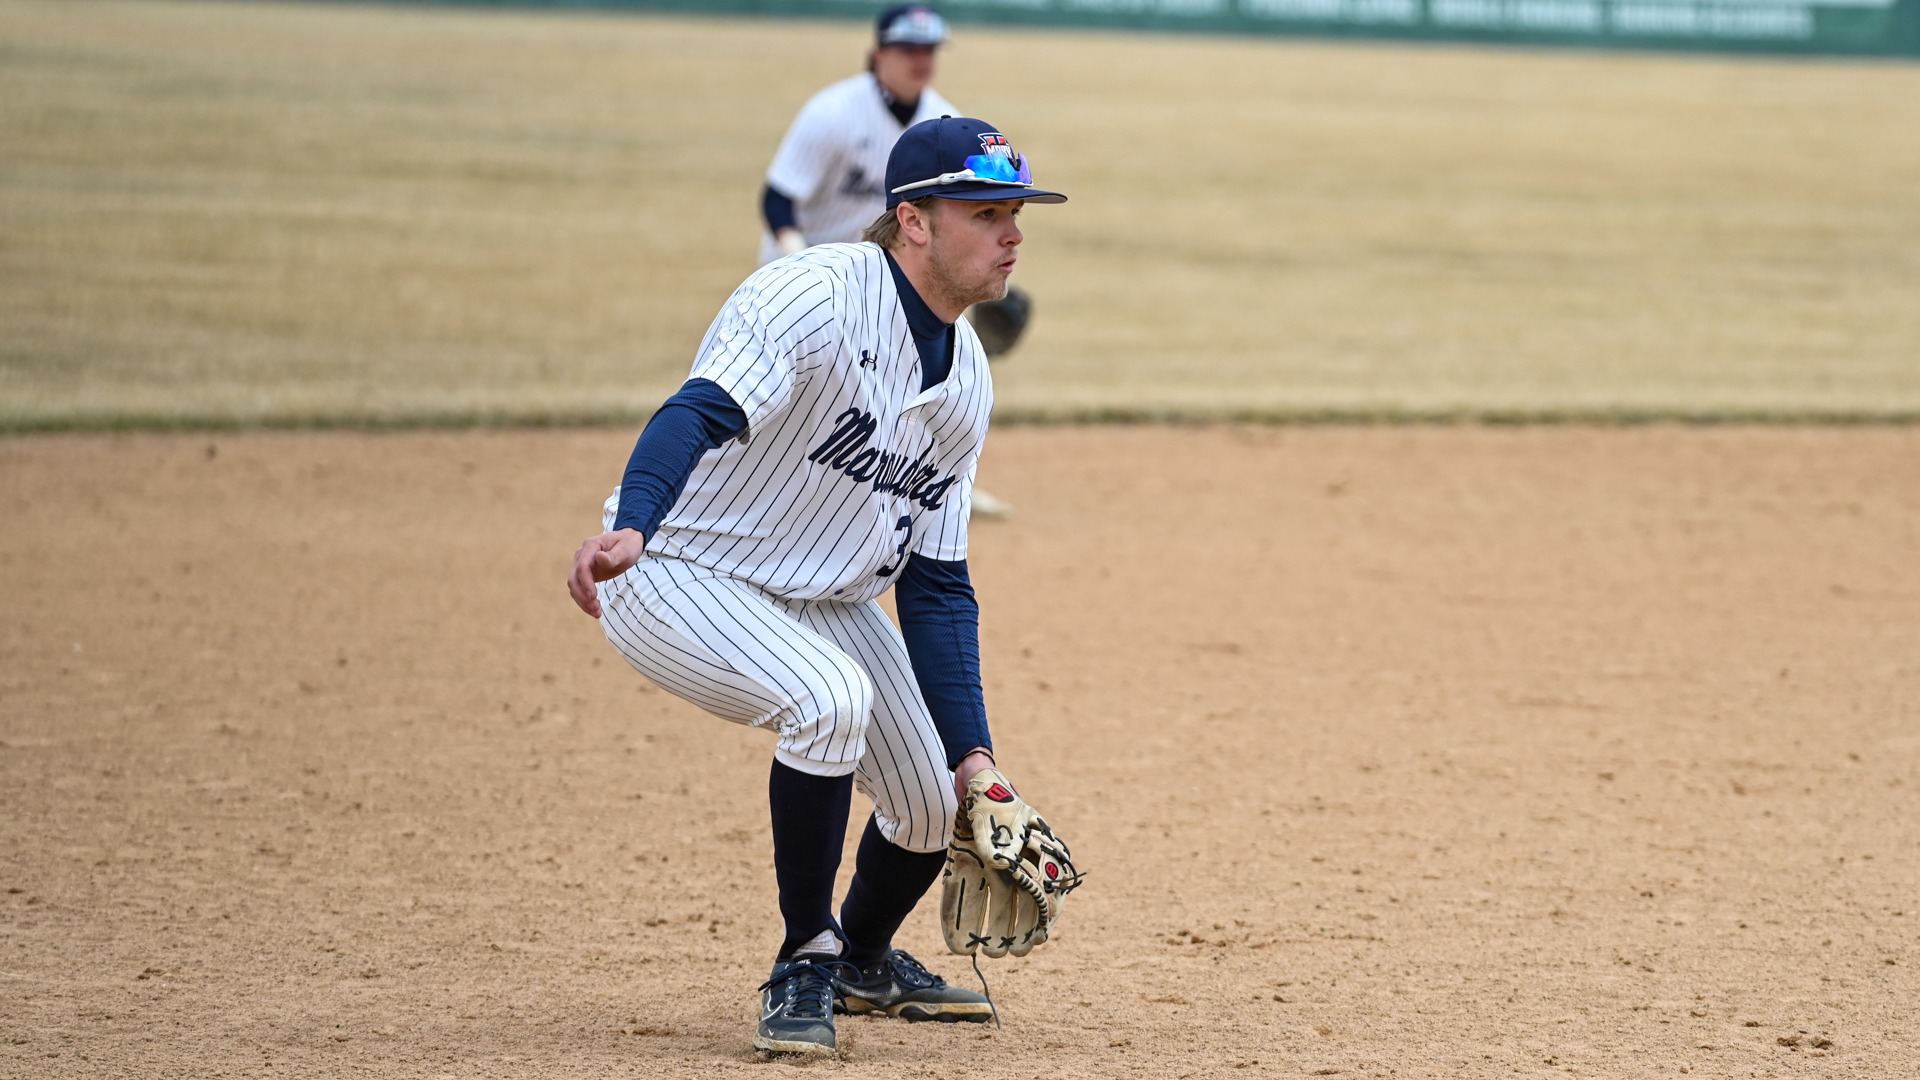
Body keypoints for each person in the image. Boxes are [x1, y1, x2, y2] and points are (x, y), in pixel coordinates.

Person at [567, 116, 1067, 1057]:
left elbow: (937, 583)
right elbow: (700, 409)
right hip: (679, 568)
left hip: (823, 597)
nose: (1014, 234)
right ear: (913, 221)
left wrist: (975, 758)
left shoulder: (966, 381)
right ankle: (805, 953)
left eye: (1018, 213)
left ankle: (863, 961)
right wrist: (634, 519)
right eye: (988, 211)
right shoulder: (813, 296)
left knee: (929, 804)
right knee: (827, 698)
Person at [758, 4, 1031, 518]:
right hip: (811, 275)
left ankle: (939, 485)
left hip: (896, 275)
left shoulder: (944, 123)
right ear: (879, 52)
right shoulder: (833, 112)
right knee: (799, 398)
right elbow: (777, 198)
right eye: (909, 48)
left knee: (921, 381)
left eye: (929, 49)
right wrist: (795, 253)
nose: (921, 59)